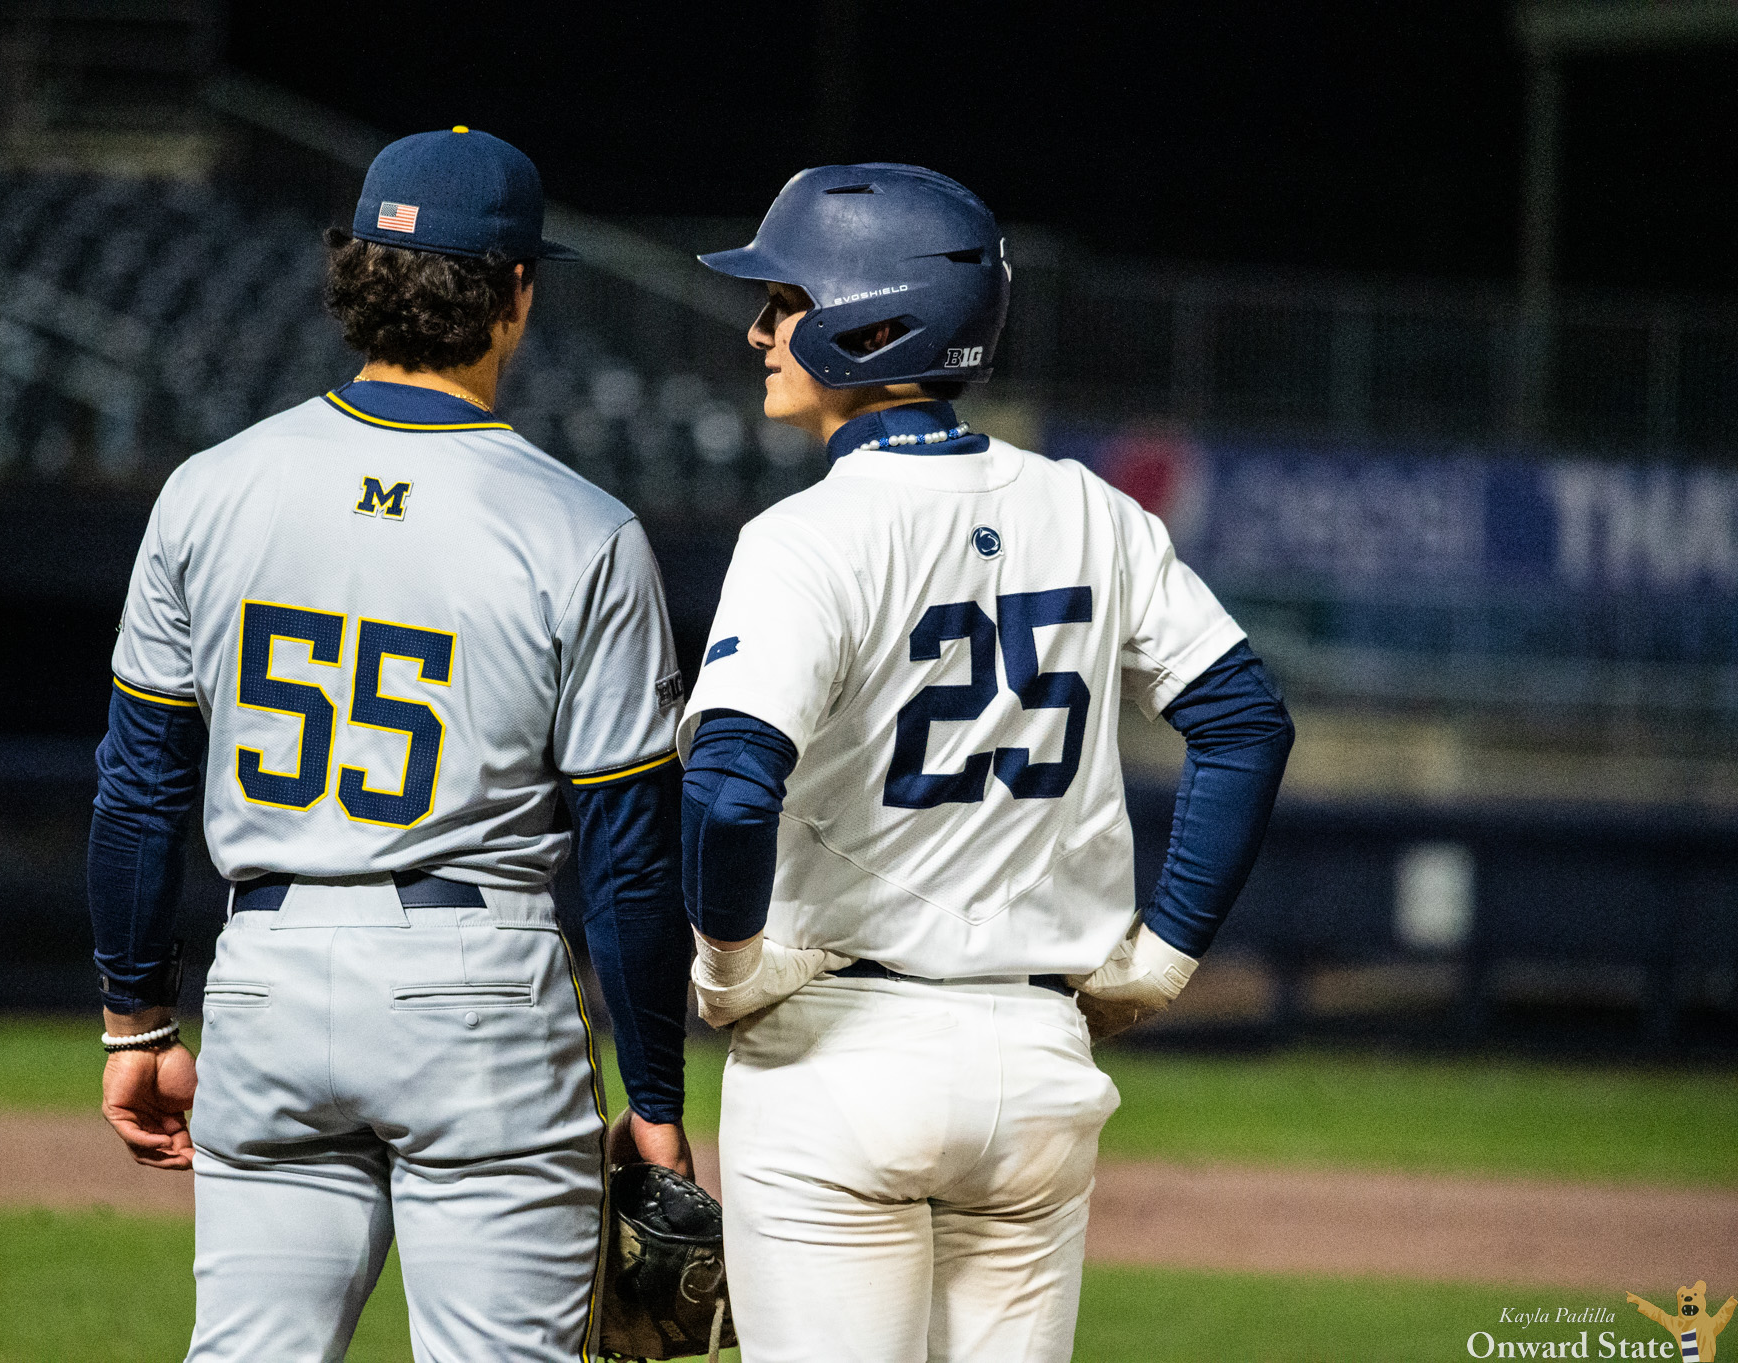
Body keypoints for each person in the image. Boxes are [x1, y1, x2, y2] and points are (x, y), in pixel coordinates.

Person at [86, 127, 694, 1363]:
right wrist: (660, 1100)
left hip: (264, 965)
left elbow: (140, 789)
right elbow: (629, 857)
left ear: (353, 271)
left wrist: (134, 1019)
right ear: (516, 292)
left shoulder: (210, 486)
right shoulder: (581, 528)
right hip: (474, 977)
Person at [677, 164, 1295, 1363]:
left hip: (837, 1056)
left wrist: (725, 961)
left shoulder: (806, 537)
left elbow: (728, 784)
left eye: (785, 298)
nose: (758, 329)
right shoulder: (1092, 509)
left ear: (872, 319)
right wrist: (1161, 960)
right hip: (1036, 1065)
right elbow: (1243, 724)